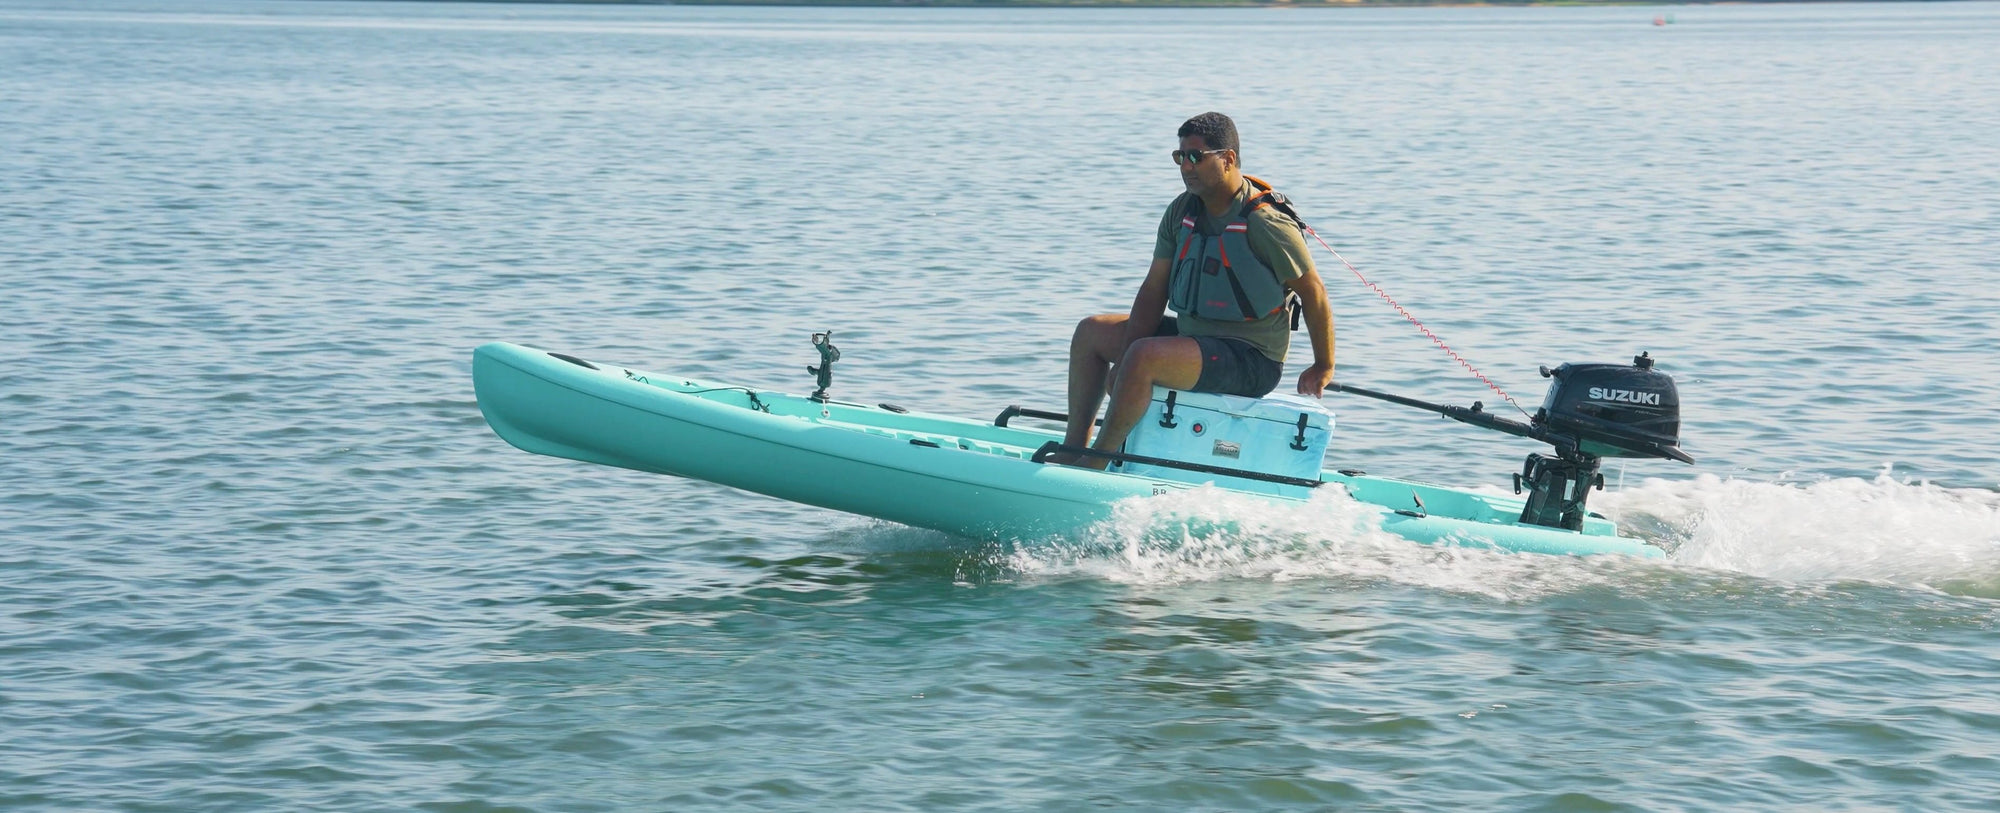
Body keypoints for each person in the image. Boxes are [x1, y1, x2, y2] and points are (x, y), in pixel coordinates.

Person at [1057, 112, 1335, 470]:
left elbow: (1314, 293)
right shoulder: (1181, 212)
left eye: (1195, 157)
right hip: (1195, 337)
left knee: (1144, 357)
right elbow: (1154, 289)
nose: (1186, 167)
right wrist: (1124, 357)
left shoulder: (1266, 222)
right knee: (1091, 332)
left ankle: (1097, 461)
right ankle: (1073, 447)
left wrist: (1323, 364)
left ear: (1228, 159)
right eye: (1179, 157)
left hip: (1250, 358)